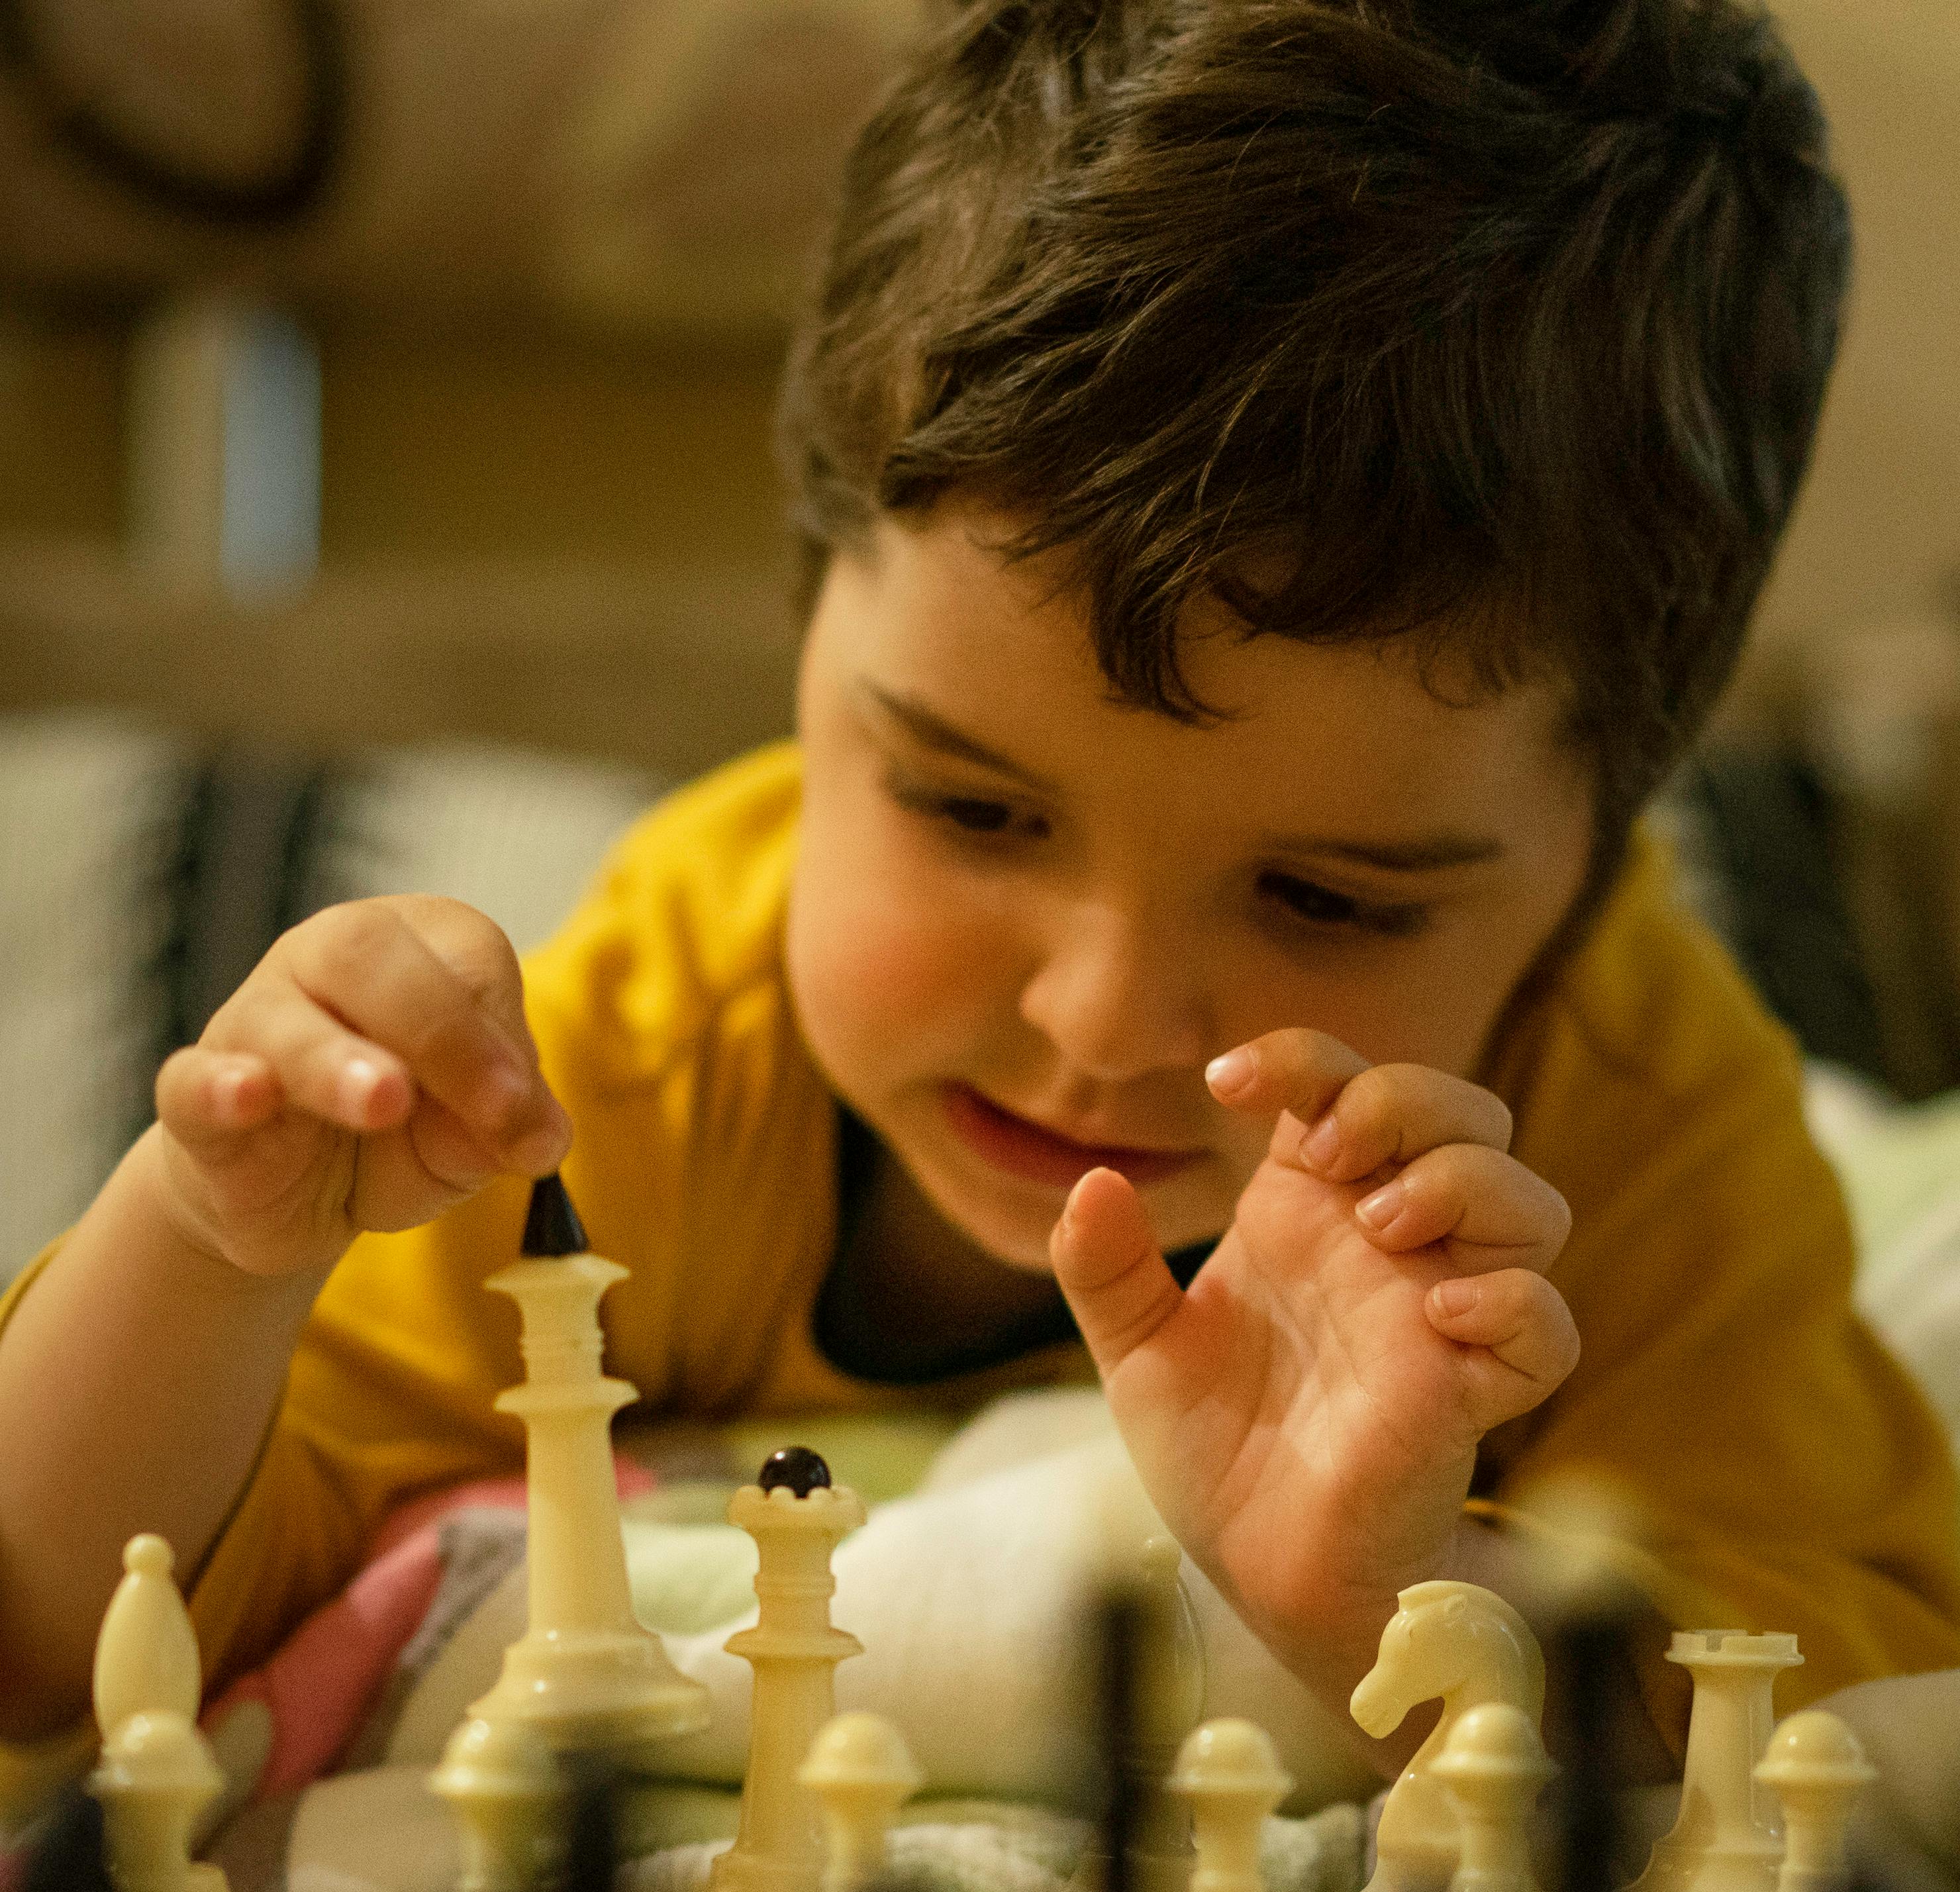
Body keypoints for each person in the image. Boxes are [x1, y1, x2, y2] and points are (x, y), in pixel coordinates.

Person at [1, 0, 1953, 1787]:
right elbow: (70, 1634)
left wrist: (1413, 1588)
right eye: (975, 812)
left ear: (1593, 867)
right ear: (803, 629)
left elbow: (1859, 1676)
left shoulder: (1632, 1098)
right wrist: (204, 1239)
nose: (1106, 1025)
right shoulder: (644, 1048)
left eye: (1331, 902)